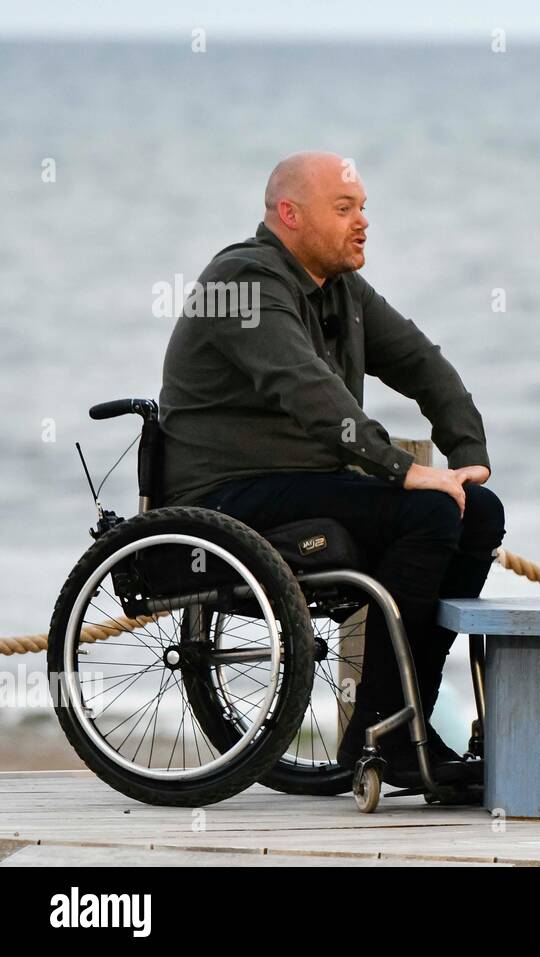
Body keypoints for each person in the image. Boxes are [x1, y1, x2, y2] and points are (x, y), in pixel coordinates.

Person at [158, 151, 504, 788]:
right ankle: (384, 736)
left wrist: (466, 451)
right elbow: (307, 390)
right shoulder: (243, 282)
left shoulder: (339, 287)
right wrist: (402, 469)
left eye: (364, 207)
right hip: (227, 496)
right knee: (426, 508)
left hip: (305, 485)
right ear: (290, 215)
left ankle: (401, 723)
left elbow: (422, 362)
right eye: (344, 209)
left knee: (477, 511)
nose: (363, 221)